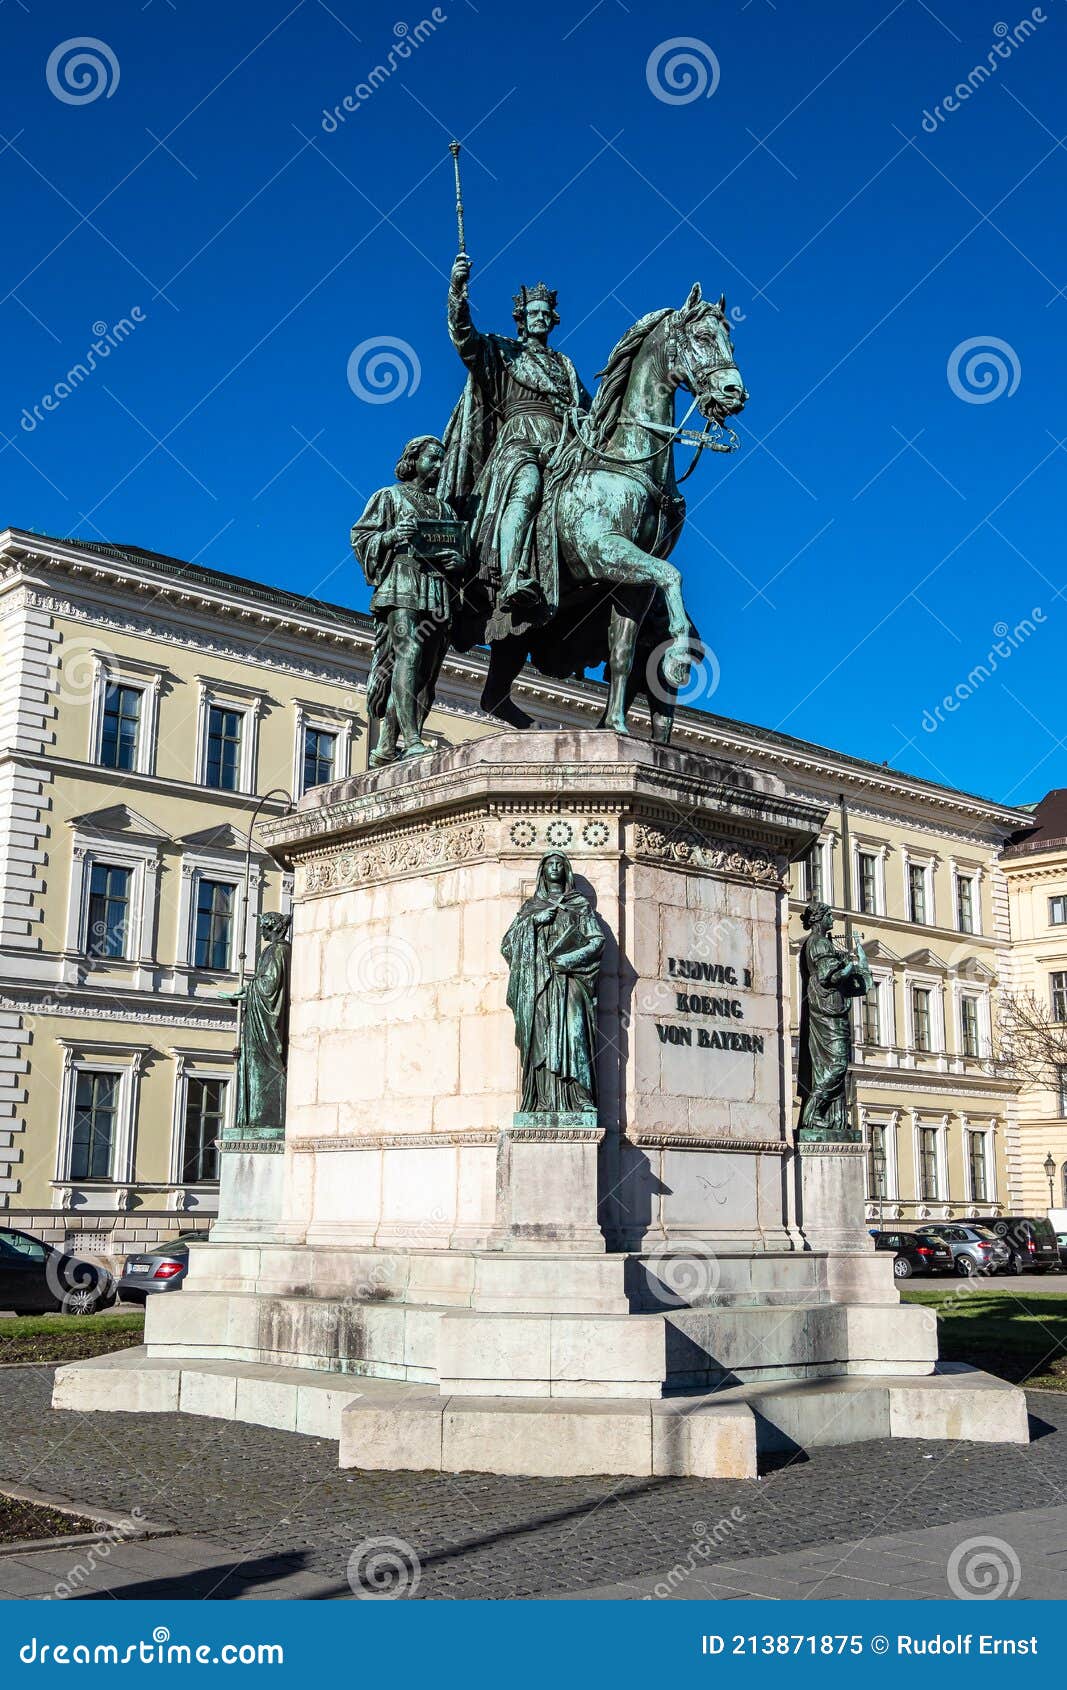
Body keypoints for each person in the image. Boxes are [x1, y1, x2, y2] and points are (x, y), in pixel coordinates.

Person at [441, 255, 591, 652]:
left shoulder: (565, 366)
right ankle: (512, 577)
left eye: (546, 313)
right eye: (533, 313)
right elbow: (463, 337)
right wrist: (458, 289)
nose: (540, 318)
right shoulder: (501, 351)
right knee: (526, 489)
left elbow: (591, 411)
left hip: (565, 444)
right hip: (520, 440)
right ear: (521, 319)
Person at [351, 435, 467, 764]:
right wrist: (391, 536)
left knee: (425, 675)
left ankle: (387, 746)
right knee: (409, 652)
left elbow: (458, 552)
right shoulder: (388, 497)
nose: (440, 466)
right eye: (434, 458)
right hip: (401, 584)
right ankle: (413, 739)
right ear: (414, 460)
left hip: (435, 589)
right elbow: (361, 536)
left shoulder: (444, 509)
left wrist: (457, 563)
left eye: (443, 460)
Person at [501, 852, 604, 1114]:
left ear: (566, 870)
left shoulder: (579, 905)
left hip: (569, 982)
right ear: (543, 871)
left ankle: (580, 1098)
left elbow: (596, 941)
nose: (555, 868)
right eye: (550, 865)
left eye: (560, 864)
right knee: (540, 1040)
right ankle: (542, 1101)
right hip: (537, 986)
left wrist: (569, 959)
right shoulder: (530, 908)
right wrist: (534, 923)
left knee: (574, 1034)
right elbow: (508, 945)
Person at [797, 899, 871, 1136]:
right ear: (819, 918)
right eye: (829, 915)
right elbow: (829, 977)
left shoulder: (822, 943)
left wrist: (860, 961)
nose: (833, 919)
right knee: (837, 1064)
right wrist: (850, 964)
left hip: (832, 1010)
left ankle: (833, 1118)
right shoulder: (818, 943)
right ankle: (813, 1113)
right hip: (827, 1011)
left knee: (833, 1065)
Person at [223, 911, 292, 1137]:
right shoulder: (279, 950)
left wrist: (249, 991)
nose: (261, 931)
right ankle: (257, 1116)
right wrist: (247, 990)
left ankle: (265, 1117)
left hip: (265, 1022)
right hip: (261, 1015)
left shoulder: (278, 950)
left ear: (272, 928)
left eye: (264, 927)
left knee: (260, 1065)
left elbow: (270, 986)